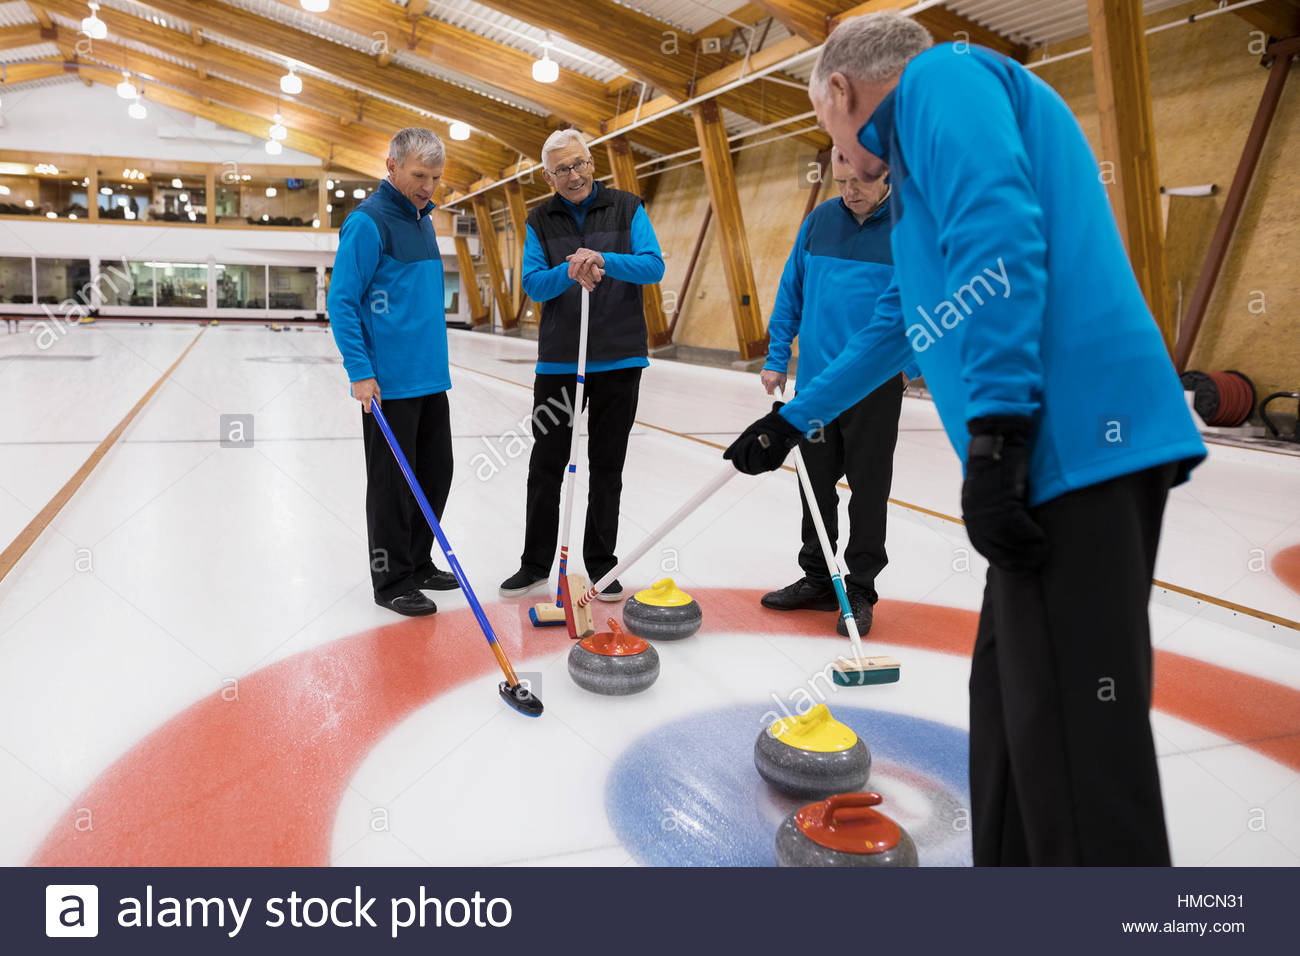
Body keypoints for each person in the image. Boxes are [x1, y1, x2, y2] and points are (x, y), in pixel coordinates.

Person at [724, 12, 1206, 866]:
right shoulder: (914, 189)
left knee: (1076, 742)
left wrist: (999, 431)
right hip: (1057, 450)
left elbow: (1001, 235)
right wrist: (790, 421)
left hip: (1075, 446)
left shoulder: (940, 81)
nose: (839, 150)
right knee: (1012, 713)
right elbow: (895, 331)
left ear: (842, 89)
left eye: (826, 126)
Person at [499, 129, 665, 601]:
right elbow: (534, 284)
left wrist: (604, 260)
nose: (572, 176)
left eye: (579, 165)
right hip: (559, 363)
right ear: (548, 176)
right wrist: (569, 270)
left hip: (619, 357)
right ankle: (534, 565)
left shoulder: (628, 207)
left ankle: (602, 565)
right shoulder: (539, 219)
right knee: (546, 464)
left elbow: (653, 266)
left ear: (591, 164)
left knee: (607, 465)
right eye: (561, 170)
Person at [760, 148, 905, 636]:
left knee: (869, 489)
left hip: (875, 384)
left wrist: (910, 365)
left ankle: (860, 588)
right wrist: (778, 355)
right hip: (819, 383)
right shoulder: (821, 220)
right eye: (842, 181)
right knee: (814, 483)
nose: (850, 191)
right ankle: (819, 578)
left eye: (860, 181)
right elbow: (792, 289)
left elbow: (934, 303)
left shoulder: (910, 226)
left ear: (887, 173)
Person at [328, 127, 457, 617]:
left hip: (429, 378)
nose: (428, 185)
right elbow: (342, 301)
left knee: (434, 474)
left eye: (435, 177)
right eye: (419, 175)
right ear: (392, 167)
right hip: (388, 383)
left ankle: (418, 562)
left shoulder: (424, 220)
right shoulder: (368, 222)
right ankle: (391, 580)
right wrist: (360, 371)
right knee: (391, 484)